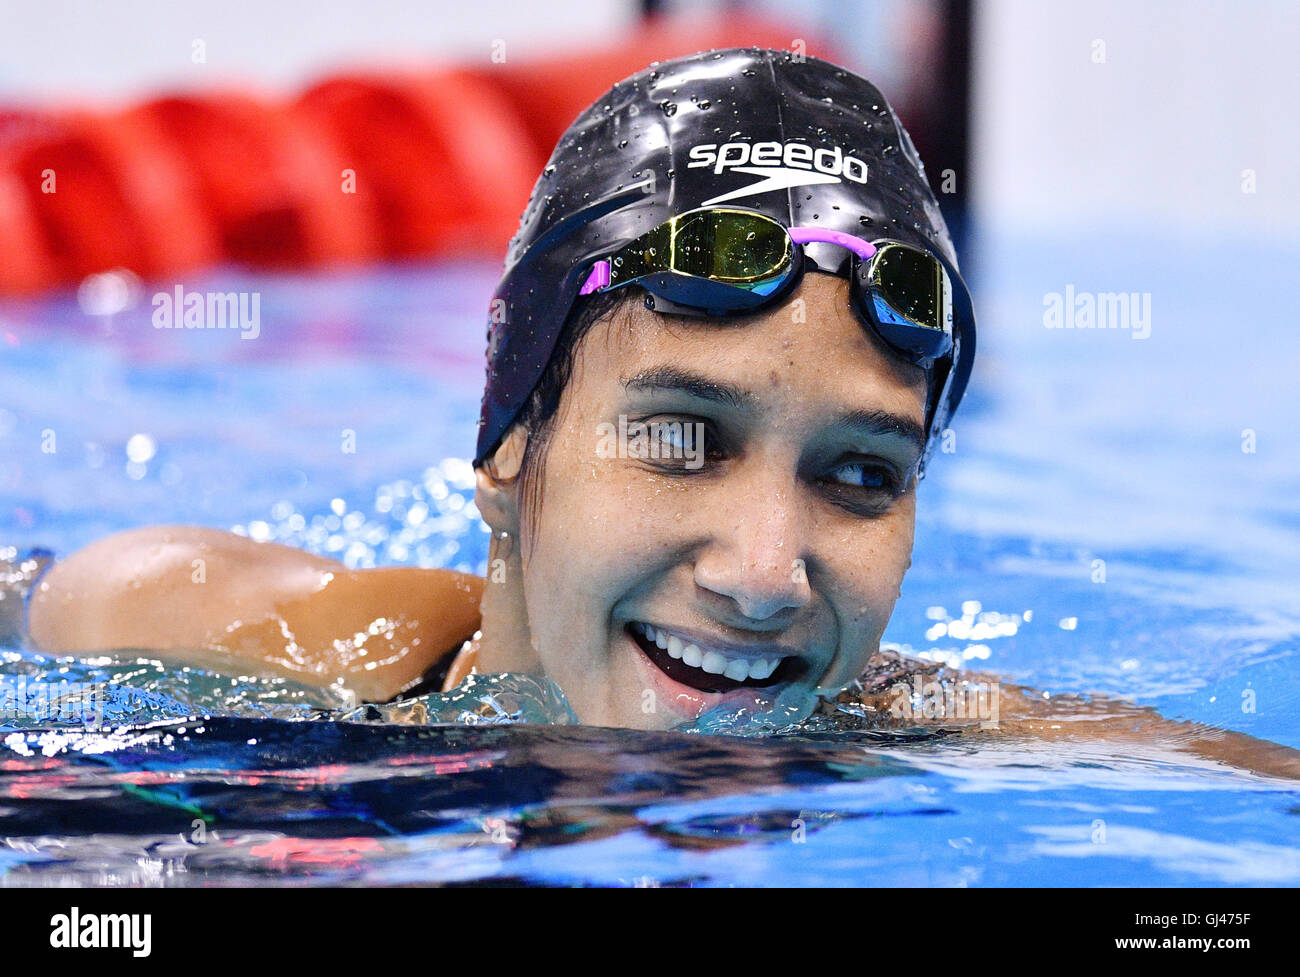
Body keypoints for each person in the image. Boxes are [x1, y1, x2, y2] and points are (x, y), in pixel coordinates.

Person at [7, 49, 1300, 778]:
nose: (764, 576)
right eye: (684, 438)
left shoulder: (885, 722)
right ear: (510, 446)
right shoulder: (219, 645)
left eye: (858, 474)